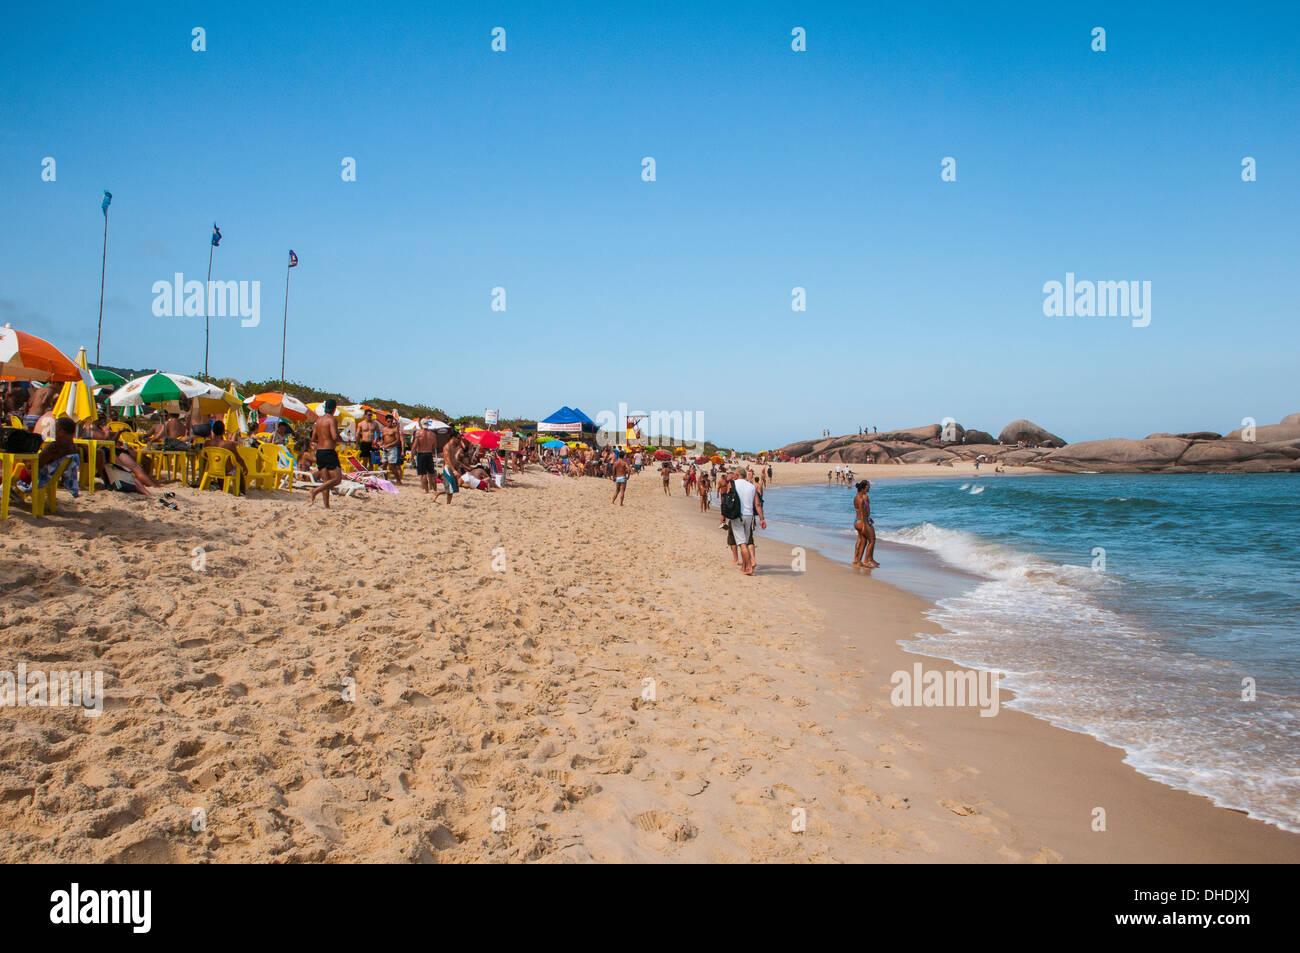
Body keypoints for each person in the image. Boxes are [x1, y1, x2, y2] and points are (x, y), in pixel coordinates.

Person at [308, 399, 343, 507]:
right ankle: (315, 491)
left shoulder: (318, 420)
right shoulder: (332, 420)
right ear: (334, 409)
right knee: (337, 479)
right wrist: (340, 437)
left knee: (326, 480)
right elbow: (334, 436)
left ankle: (326, 506)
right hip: (329, 451)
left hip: (320, 452)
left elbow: (313, 438)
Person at [730, 470, 765, 576]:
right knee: (745, 540)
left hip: (737, 515)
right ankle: (744, 566)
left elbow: (727, 499)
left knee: (742, 543)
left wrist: (724, 514)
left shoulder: (733, 484)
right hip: (749, 516)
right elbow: (758, 505)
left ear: (737, 475)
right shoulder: (751, 486)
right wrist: (762, 519)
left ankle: (749, 567)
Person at [853, 480, 879, 568]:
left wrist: (868, 518)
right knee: (872, 540)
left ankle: (859, 561)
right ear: (864, 488)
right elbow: (862, 512)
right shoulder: (860, 499)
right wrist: (865, 525)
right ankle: (866, 561)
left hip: (858, 521)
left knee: (863, 541)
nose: (869, 488)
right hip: (862, 521)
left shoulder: (857, 497)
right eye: (868, 486)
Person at [410, 420, 439, 494]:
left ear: (421, 424)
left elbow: (414, 446)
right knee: (431, 473)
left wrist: (412, 456)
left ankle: (427, 491)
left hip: (421, 454)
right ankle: (435, 489)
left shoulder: (418, 433)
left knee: (423, 474)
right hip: (429, 453)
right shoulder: (433, 434)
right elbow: (435, 446)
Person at [441, 428, 465, 505]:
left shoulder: (455, 447)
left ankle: (439, 494)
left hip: (453, 468)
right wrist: (454, 470)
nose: (459, 440)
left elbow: (454, 459)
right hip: (448, 468)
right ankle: (447, 504)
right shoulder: (447, 446)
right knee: (450, 490)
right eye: (458, 438)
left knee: (453, 489)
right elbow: (447, 460)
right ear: (453, 437)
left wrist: (458, 466)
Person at [379, 413, 403, 484]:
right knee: (384, 465)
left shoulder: (395, 430)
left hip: (392, 448)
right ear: (385, 421)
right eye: (388, 421)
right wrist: (381, 443)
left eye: (391, 421)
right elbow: (383, 438)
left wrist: (389, 445)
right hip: (385, 448)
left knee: (392, 466)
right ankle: (385, 480)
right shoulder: (383, 429)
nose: (390, 423)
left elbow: (397, 440)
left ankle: (398, 480)